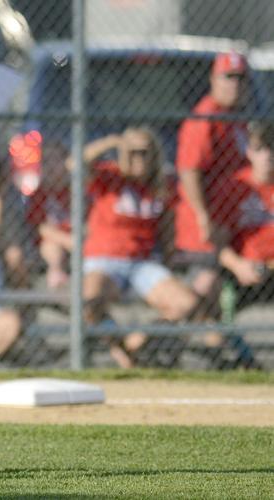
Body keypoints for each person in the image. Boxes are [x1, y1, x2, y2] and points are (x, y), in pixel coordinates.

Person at [78, 128, 198, 369]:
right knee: (89, 302)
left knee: (187, 304)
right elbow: (76, 163)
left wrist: (168, 260)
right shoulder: (109, 176)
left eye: (144, 152)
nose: (138, 158)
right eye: (132, 152)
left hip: (142, 263)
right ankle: (124, 357)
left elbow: (166, 229)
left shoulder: (162, 185)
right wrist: (112, 141)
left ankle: (133, 344)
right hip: (104, 260)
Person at [174, 52, 249, 325]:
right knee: (203, 290)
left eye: (240, 78)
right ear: (213, 79)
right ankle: (155, 339)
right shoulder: (205, 117)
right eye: (228, 77)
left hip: (229, 222)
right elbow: (189, 170)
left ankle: (216, 340)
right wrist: (202, 215)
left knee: (216, 292)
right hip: (204, 226)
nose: (235, 84)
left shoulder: (234, 118)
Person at [215, 121, 273, 369]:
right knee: (219, 298)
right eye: (260, 149)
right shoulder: (235, 187)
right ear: (249, 152)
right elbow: (218, 244)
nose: (268, 155)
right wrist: (239, 266)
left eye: (272, 147)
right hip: (243, 270)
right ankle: (244, 361)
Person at [26, 141, 72, 290]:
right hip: (53, 242)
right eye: (46, 161)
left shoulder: (74, 191)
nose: (50, 165)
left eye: (55, 160)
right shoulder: (39, 194)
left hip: (75, 237)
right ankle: (56, 272)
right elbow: (40, 228)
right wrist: (68, 241)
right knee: (51, 246)